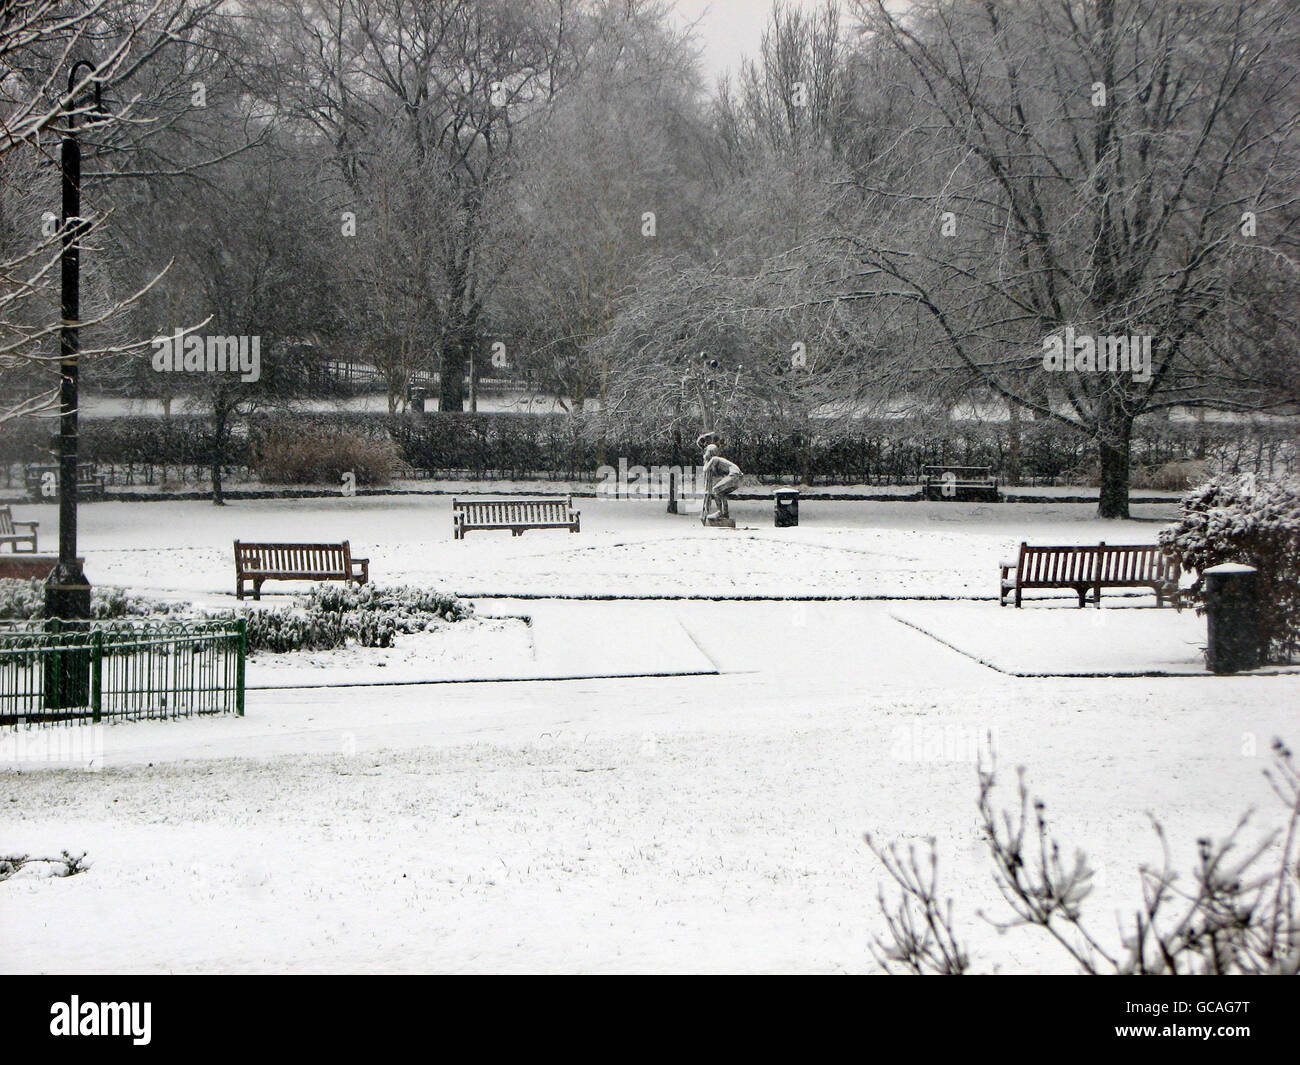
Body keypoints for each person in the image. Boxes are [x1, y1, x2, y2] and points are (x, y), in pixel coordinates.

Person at [702, 443, 742, 520]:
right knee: (721, 493)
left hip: (734, 475)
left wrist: (705, 459)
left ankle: (719, 512)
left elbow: (705, 469)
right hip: (738, 477)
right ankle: (725, 513)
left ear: (710, 452)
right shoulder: (717, 460)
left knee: (715, 490)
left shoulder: (714, 459)